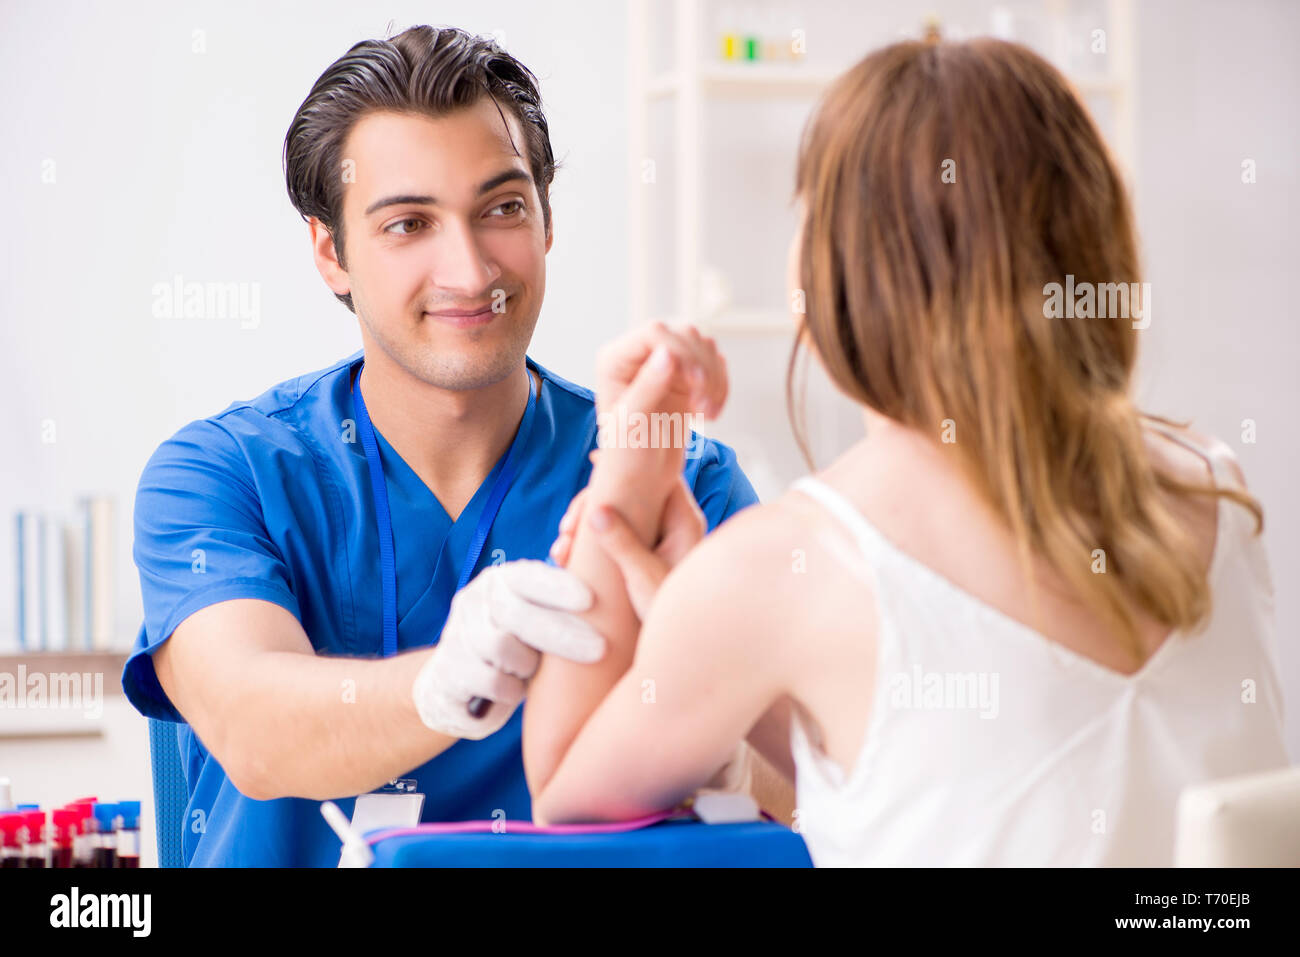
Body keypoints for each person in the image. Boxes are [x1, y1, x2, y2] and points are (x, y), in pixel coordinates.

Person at [524, 37, 1291, 865]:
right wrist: (726, 652)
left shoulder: (789, 563)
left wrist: (629, 468)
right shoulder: (1213, 482)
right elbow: (971, 763)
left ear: (836, 269)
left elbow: (564, 791)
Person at [121, 25, 764, 867]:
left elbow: (808, 781)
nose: (468, 270)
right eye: (408, 224)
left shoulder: (680, 481)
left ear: (546, 220)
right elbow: (251, 721)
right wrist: (442, 682)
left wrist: (724, 751)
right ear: (331, 251)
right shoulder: (222, 474)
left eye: (501, 209)